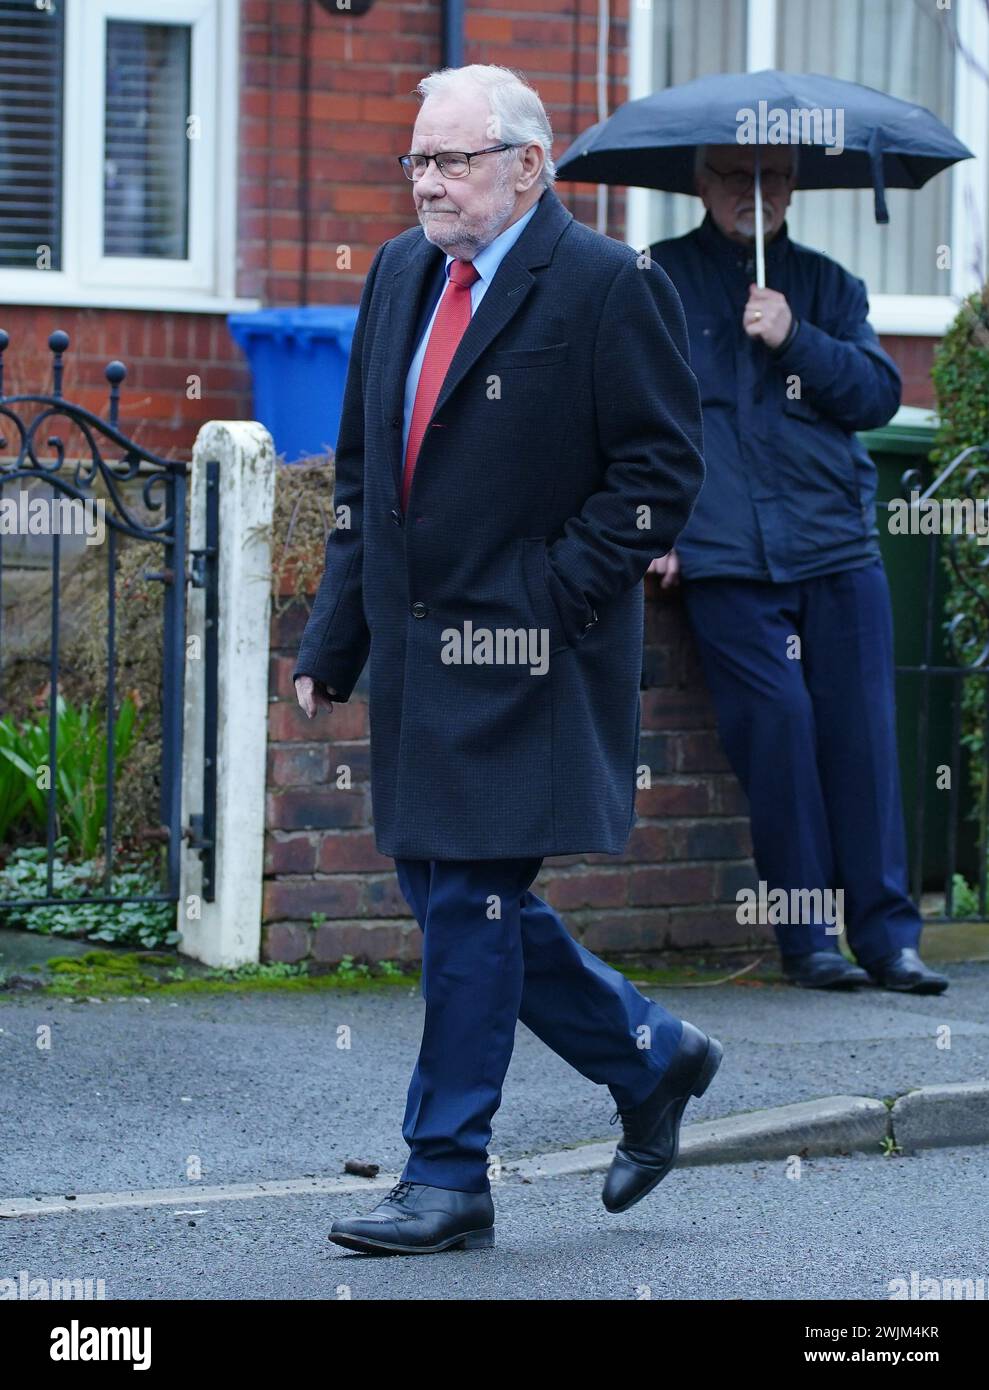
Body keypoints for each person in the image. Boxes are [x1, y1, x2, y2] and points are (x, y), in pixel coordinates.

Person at [292, 64, 714, 1255]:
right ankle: (654, 1055)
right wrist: (334, 641)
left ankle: (445, 1173)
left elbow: (659, 475)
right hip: (425, 667)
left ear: (528, 165)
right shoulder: (395, 270)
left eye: (453, 160)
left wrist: (551, 593)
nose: (429, 182)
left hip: (531, 655)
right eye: (418, 160)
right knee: (458, 900)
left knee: (467, 906)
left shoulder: (602, 285)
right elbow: (366, 478)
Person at [647, 142, 948, 997]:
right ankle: (806, 938)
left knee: (861, 739)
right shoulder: (658, 280)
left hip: (834, 546)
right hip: (725, 554)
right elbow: (632, 412)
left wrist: (793, 336)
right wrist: (650, 523)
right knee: (776, 731)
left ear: (792, 190)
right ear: (701, 186)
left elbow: (875, 397)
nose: (756, 192)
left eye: (773, 178)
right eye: (736, 177)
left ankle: (888, 940)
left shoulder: (827, 285)